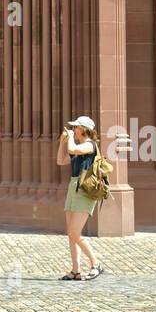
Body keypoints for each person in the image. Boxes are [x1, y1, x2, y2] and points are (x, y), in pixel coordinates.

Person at [56, 115, 105, 282]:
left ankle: (96, 264)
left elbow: (74, 150)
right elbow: (61, 160)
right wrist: (63, 141)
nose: (73, 130)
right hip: (73, 187)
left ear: (84, 129)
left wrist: (69, 140)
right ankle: (75, 270)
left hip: (84, 190)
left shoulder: (90, 145)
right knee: (71, 233)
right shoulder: (76, 146)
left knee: (74, 232)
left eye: (76, 127)